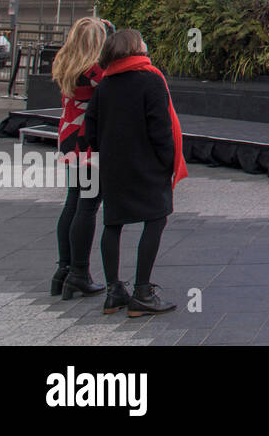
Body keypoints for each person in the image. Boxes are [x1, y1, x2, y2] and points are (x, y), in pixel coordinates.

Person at [84, 28, 188, 316]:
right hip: (147, 165)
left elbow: (90, 129)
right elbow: (161, 128)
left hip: (114, 166)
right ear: (134, 48)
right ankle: (142, 291)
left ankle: (114, 291)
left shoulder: (105, 85)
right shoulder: (150, 79)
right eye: (143, 40)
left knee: (113, 224)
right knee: (156, 219)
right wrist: (168, 162)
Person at [50, 17, 110, 300]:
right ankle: (79, 273)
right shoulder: (95, 70)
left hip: (68, 138)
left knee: (72, 202)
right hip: (88, 143)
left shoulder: (65, 61)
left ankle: (63, 270)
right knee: (87, 207)